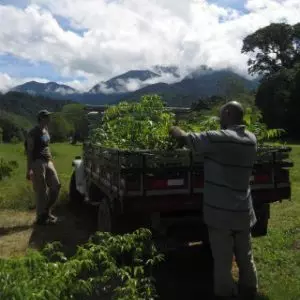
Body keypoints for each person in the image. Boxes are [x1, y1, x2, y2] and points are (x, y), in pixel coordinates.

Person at [169, 101, 258, 300]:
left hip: (221, 213)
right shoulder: (251, 138)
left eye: (220, 113)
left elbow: (185, 139)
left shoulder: (220, 138)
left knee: (223, 259)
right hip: (244, 210)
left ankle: (225, 293)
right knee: (246, 255)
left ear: (227, 113)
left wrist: (172, 127)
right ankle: (250, 289)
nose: (218, 117)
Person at [26, 109, 61, 225]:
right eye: (47, 117)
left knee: (56, 186)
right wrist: (29, 169)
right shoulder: (33, 133)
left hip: (48, 161)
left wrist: (50, 160)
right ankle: (41, 217)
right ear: (41, 118)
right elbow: (29, 152)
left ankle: (46, 211)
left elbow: (46, 146)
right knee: (41, 190)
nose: (49, 119)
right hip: (37, 162)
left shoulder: (46, 131)